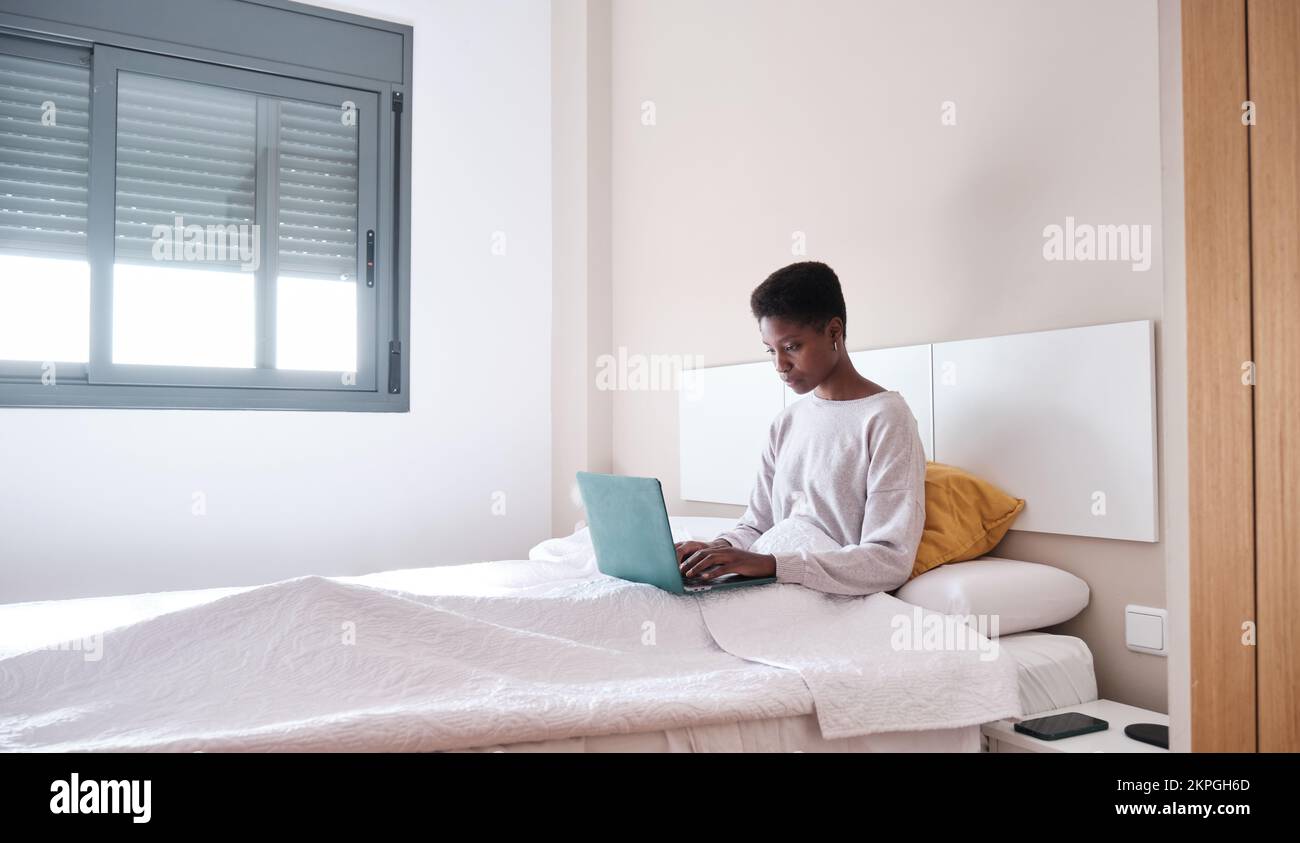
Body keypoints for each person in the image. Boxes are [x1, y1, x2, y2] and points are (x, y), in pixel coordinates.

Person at [674, 261, 926, 596]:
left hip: (828, 595)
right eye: (771, 350)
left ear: (834, 332)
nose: (779, 365)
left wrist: (774, 565)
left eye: (792, 347)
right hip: (774, 583)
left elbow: (890, 560)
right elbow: (757, 524)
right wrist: (715, 551)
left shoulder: (886, 418)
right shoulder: (787, 422)